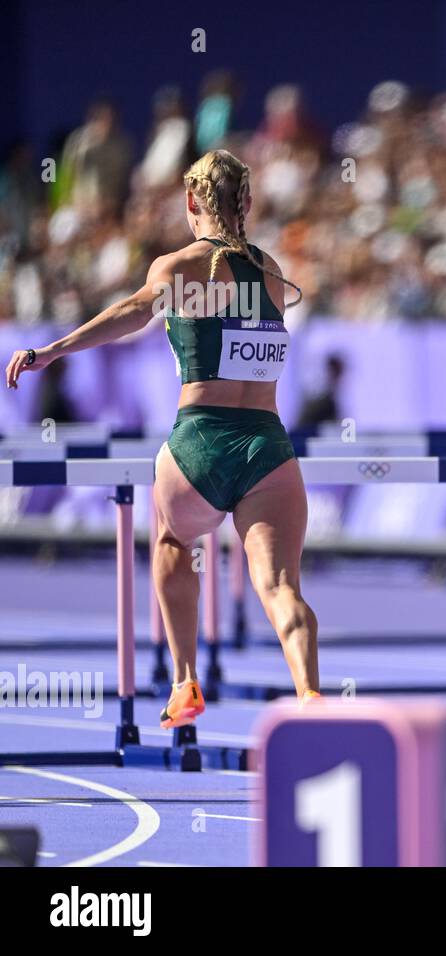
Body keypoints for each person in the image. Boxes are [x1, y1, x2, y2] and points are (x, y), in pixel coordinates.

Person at [6, 149, 321, 727]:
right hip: (268, 447)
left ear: (192, 203)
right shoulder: (273, 272)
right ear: (246, 203)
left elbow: (132, 311)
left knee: (174, 543)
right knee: (279, 585)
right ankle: (309, 694)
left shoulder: (179, 268)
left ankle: (184, 679)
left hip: (200, 439)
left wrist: (52, 349)